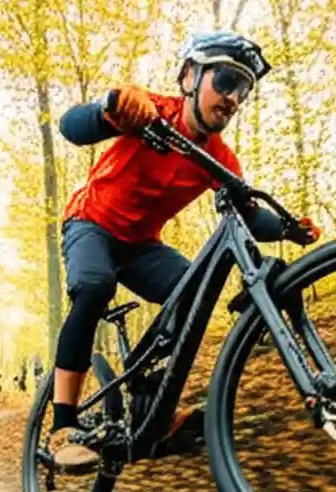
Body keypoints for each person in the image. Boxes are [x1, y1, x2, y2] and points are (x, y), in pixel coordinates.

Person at [46, 30, 321, 468]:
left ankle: (148, 401)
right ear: (191, 76)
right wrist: (110, 107)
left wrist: (290, 230)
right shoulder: (150, 111)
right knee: (94, 286)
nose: (233, 98)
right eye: (226, 81)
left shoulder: (221, 158)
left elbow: (253, 219)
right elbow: (70, 127)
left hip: (141, 247)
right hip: (91, 223)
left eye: (243, 89)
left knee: (197, 290)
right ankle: (62, 426)